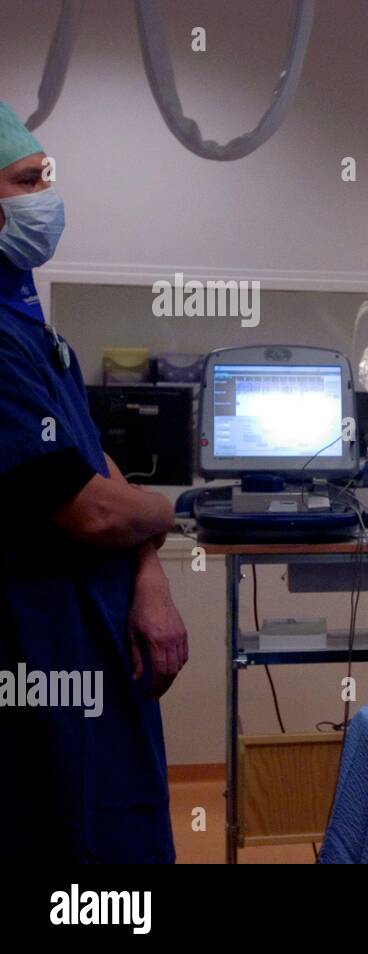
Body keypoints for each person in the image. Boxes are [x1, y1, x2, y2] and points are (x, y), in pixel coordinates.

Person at [0, 100, 187, 862]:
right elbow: (92, 511)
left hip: (91, 647)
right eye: (27, 180)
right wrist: (166, 512)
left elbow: (95, 466)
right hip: (32, 660)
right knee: (58, 836)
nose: (49, 194)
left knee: (113, 831)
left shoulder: (37, 334)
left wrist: (150, 576)